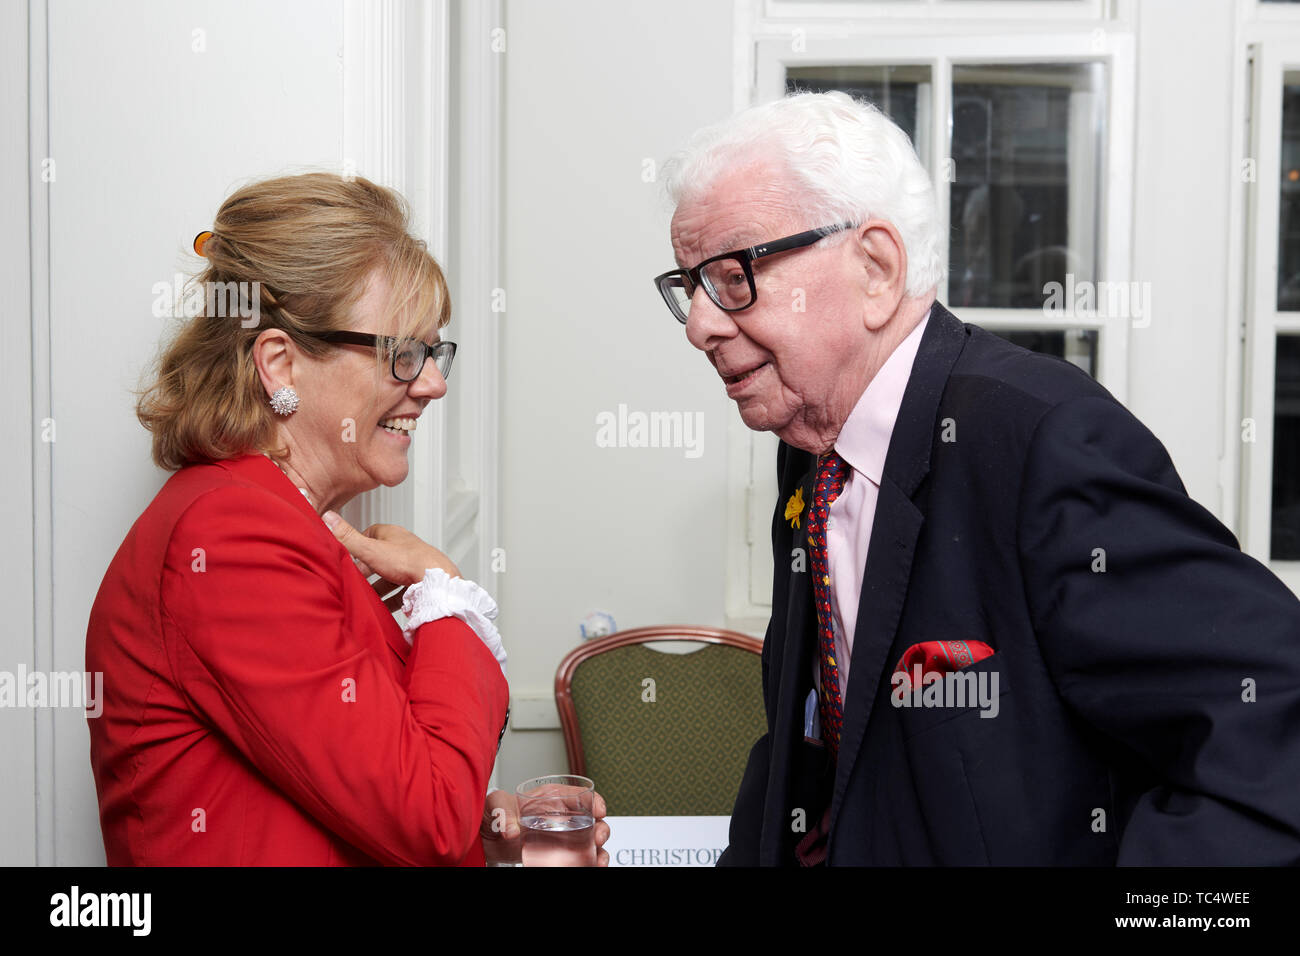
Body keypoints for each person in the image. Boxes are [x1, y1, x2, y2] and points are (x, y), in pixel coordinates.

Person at [653, 91, 1300, 865]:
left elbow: (1271, 735)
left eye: (733, 275)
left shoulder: (1041, 440)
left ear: (876, 267)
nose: (699, 324)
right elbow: (821, 738)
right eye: (689, 284)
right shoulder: (813, 449)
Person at [87, 171, 608, 866]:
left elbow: (353, 792)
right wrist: (443, 593)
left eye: (432, 351)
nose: (433, 383)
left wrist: (490, 832)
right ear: (280, 365)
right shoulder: (231, 538)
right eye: (402, 354)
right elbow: (424, 822)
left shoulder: (288, 525)